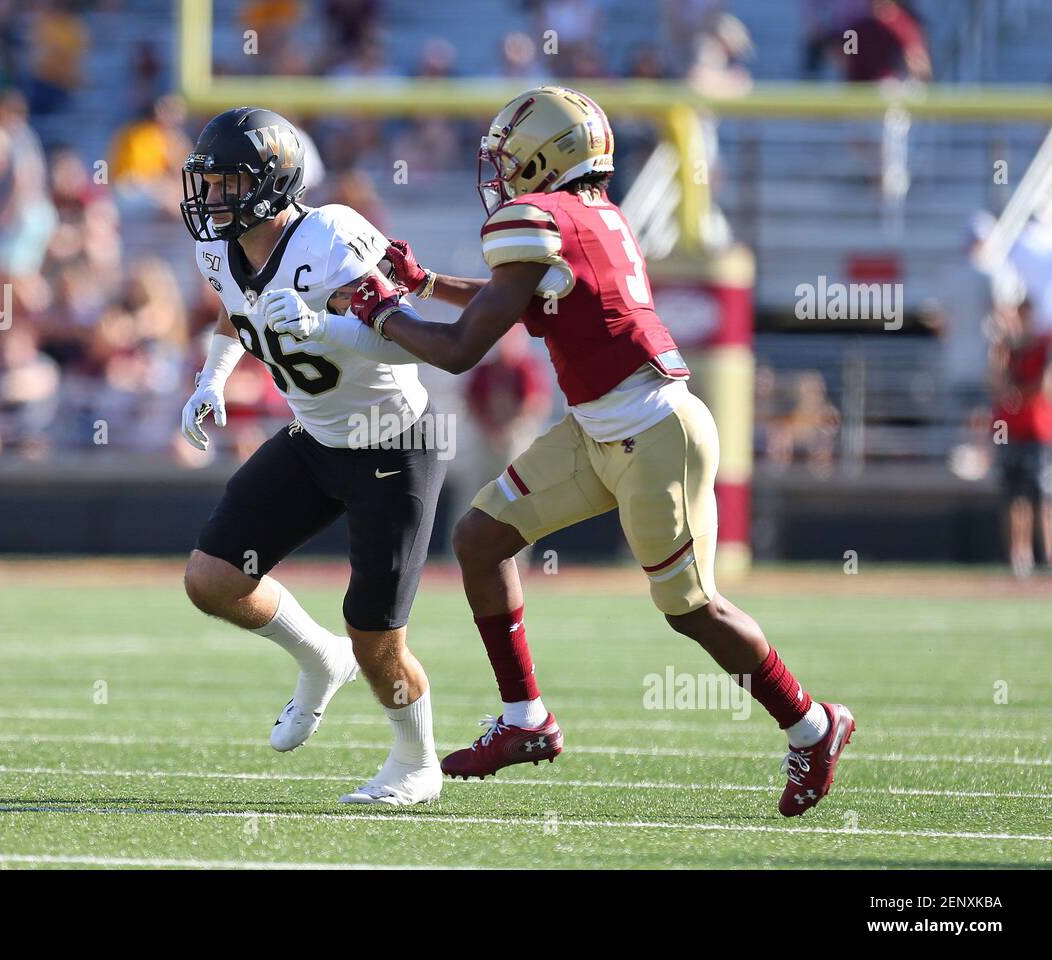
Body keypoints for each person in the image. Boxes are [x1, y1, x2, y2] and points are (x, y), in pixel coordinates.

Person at [294, 86, 855, 817]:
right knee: (481, 537)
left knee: (692, 608)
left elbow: (463, 352)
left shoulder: (538, 217)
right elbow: (519, 298)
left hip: (654, 433)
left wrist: (380, 310)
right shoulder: (587, 215)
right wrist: (426, 285)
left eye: (508, 155)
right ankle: (526, 719)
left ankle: (813, 725)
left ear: (542, 155)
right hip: (601, 427)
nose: (499, 171)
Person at [178, 108, 447, 805]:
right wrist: (212, 378)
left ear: (271, 182)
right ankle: (316, 656)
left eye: (226, 182)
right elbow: (233, 309)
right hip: (317, 434)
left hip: (394, 444)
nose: (210, 199)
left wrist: (326, 325)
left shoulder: (330, 237)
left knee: (376, 637)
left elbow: (410, 338)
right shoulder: (220, 248)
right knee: (212, 578)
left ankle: (418, 763)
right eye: (206, 183)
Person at [991, 299, 1052, 577]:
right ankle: (1020, 555)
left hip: (1038, 431)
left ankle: (1048, 554)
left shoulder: (1043, 346)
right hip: (1009, 430)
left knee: (1043, 494)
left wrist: (1017, 391)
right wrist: (1001, 348)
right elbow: (995, 383)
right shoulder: (1008, 348)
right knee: (1014, 496)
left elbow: (1043, 386)